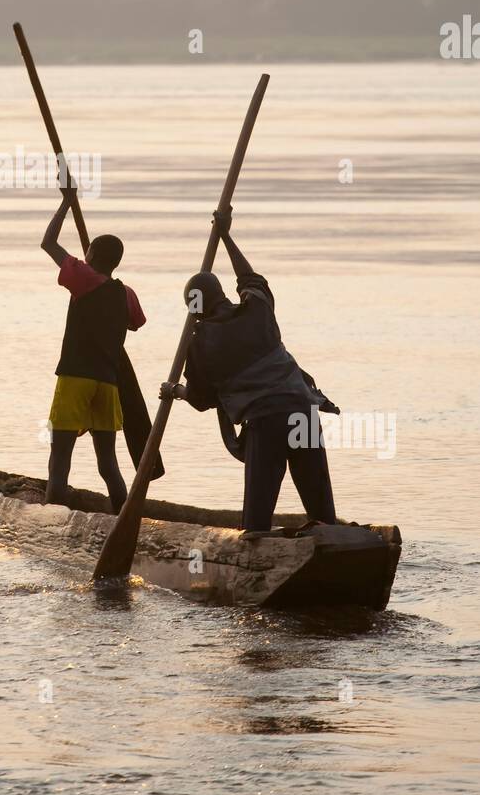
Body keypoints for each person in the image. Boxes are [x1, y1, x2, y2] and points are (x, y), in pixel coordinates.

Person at [159, 207, 338, 534]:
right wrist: (226, 235)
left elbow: (201, 399)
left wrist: (175, 391)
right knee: (324, 514)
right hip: (303, 413)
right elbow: (252, 279)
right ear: (222, 294)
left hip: (266, 422)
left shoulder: (200, 343)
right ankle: (333, 542)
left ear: (194, 310)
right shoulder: (257, 308)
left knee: (255, 525)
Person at [41, 182, 146, 512]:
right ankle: (123, 515)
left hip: (75, 378)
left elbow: (48, 243)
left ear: (91, 257)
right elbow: (135, 323)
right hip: (107, 383)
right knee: (108, 463)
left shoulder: (83, 278)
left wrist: (65, 203)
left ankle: (53, 520)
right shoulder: (125, 292)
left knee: (60, 460)